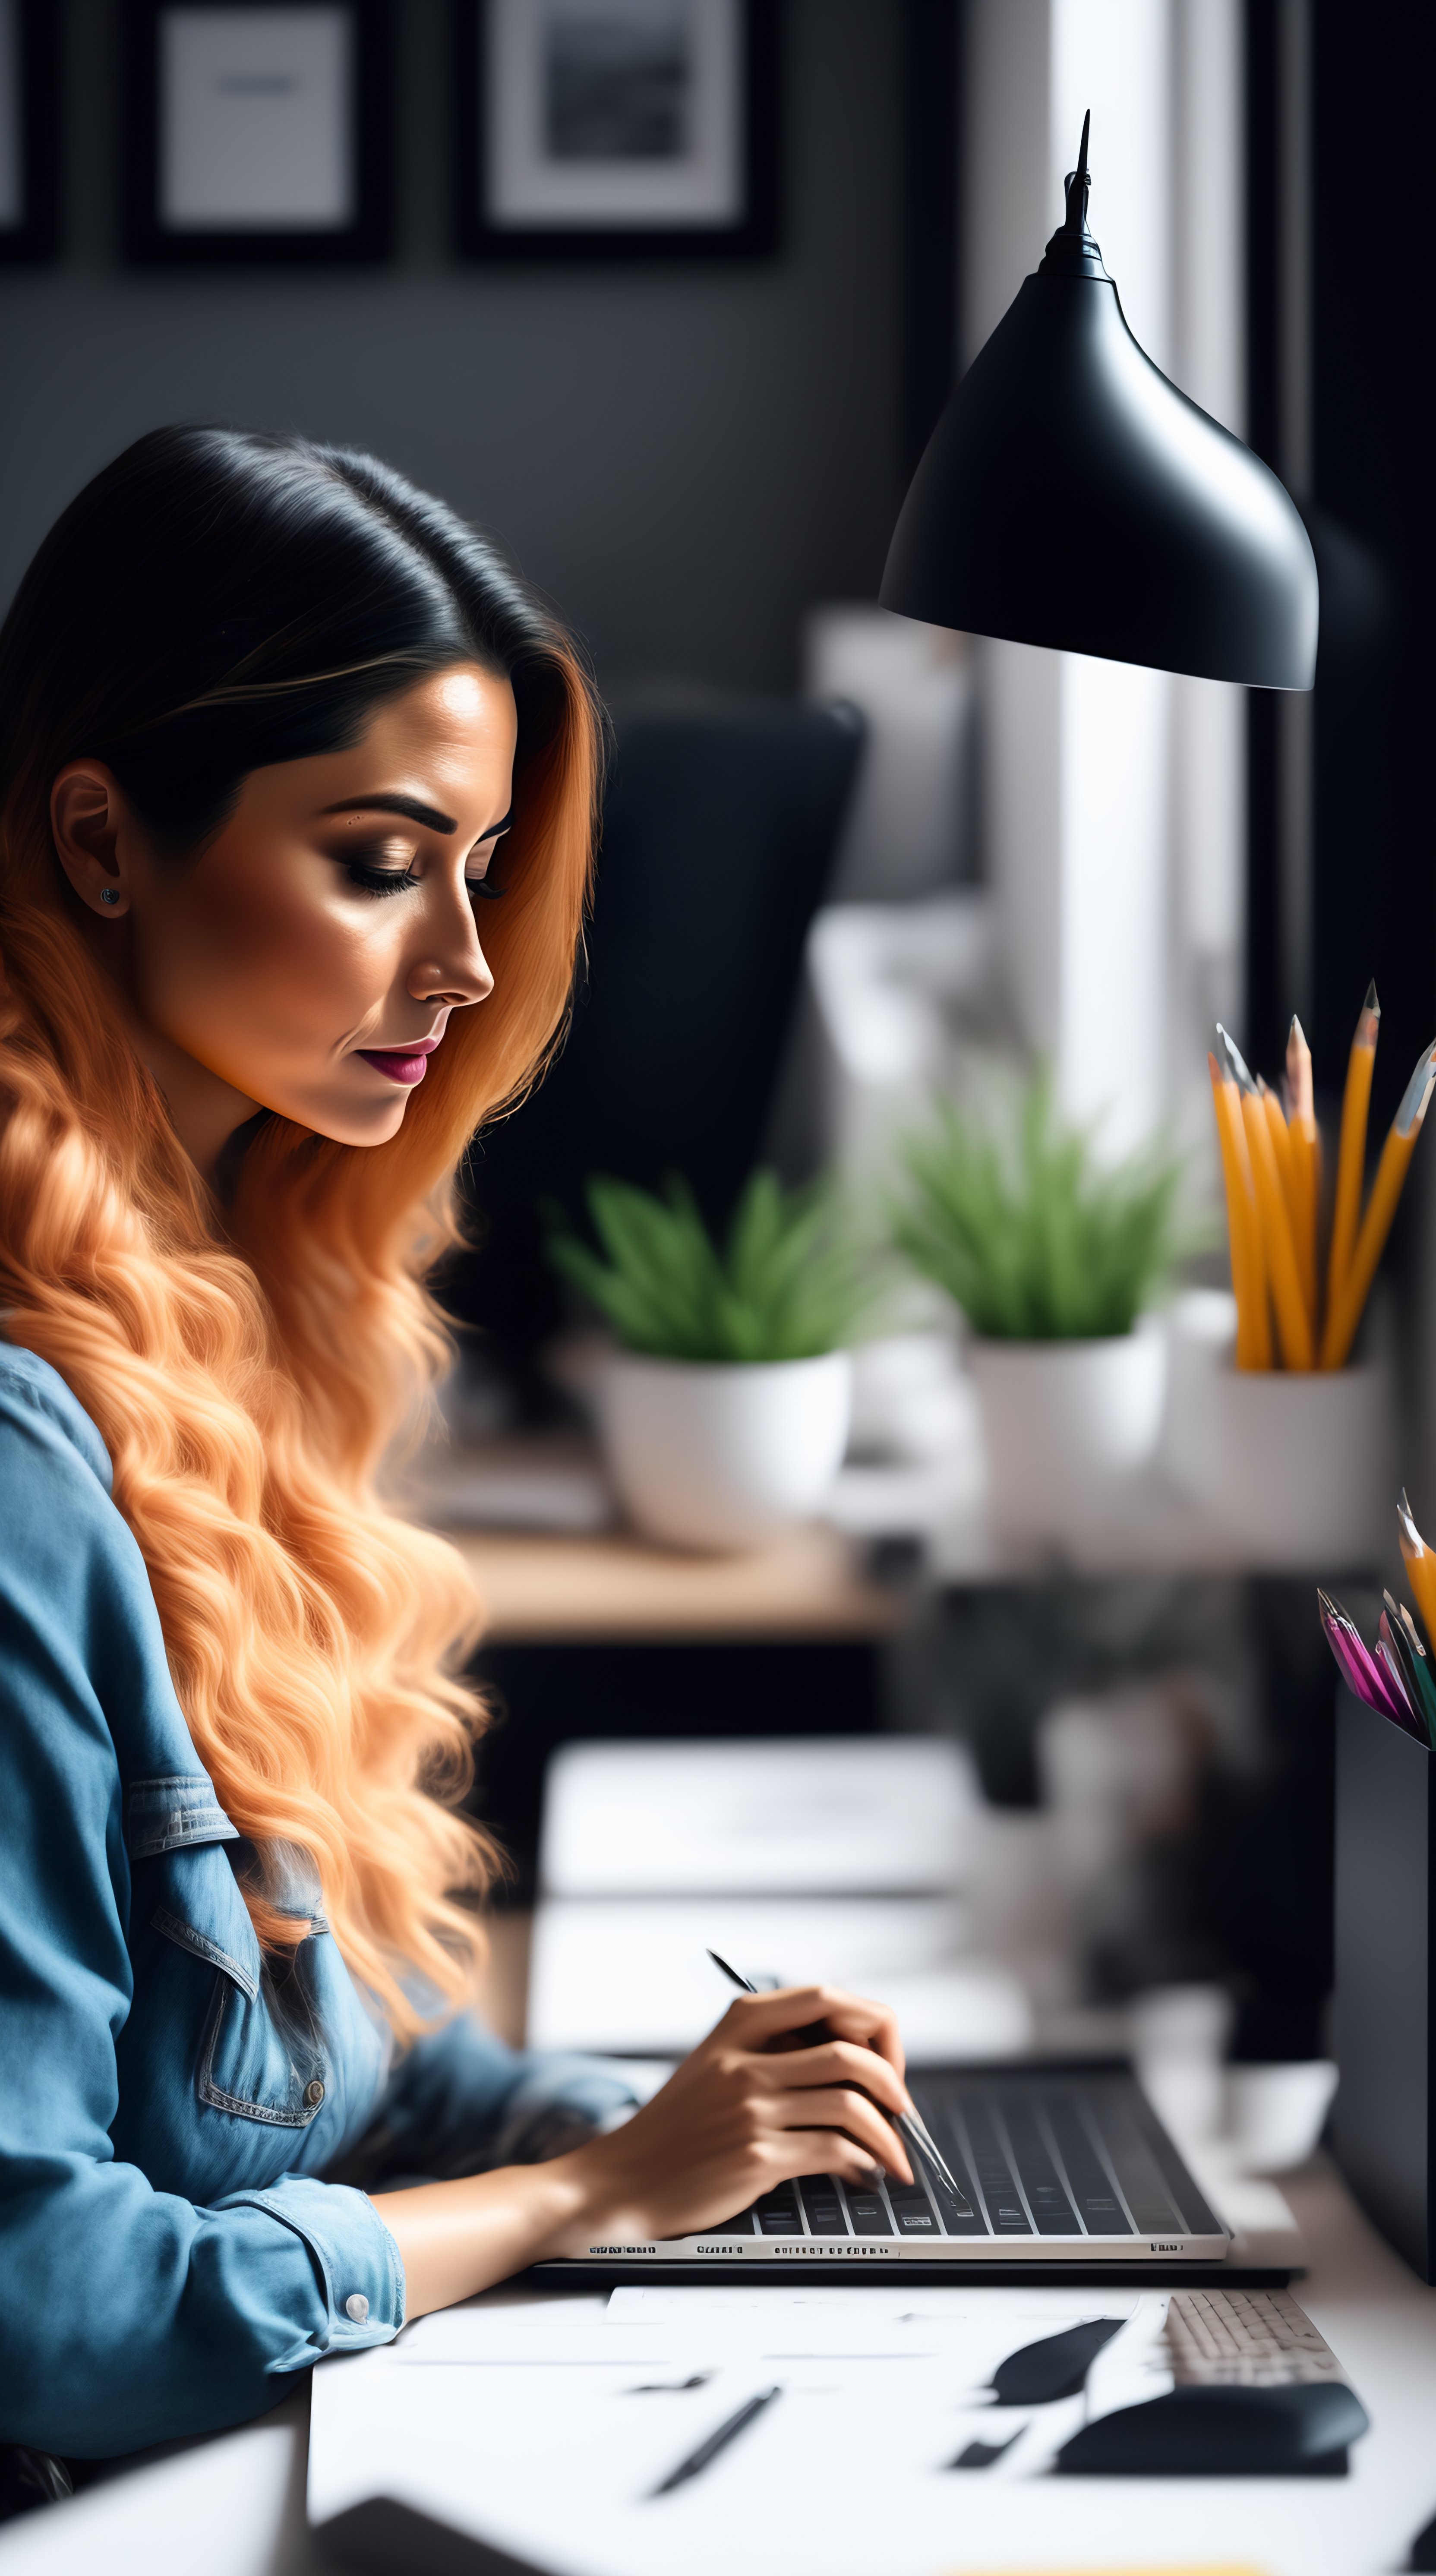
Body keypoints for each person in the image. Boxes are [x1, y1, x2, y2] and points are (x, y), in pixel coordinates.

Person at [0, 427, 913, 2468]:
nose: (468, 962)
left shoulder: (217, 1317)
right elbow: (43, 2310)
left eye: (479, 867)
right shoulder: (13, 1458)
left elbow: (306, 2073)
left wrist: (678, 2117)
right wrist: (587, 2198)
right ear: (99, 838)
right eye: (377, 858)